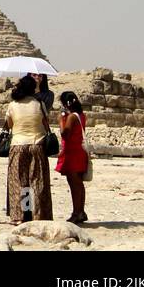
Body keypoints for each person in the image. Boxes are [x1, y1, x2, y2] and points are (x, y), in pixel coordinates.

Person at [3, 74, 53, 223]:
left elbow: (9, 125)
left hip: (18, 146)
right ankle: (37, 215)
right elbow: (46, 125)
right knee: (36, 183)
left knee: (19, 183)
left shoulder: (12, 105)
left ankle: (21, 216)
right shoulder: (40, 104)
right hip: (37, 145)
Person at [56, 90, 89, 224]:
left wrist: (60, 121)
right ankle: (81, 211)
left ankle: (76, 213)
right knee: (79, 184)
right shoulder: (81, 115)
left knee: (74, 184)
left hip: (72, 153)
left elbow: (65, 134)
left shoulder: (71, 117)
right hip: (79, 152)